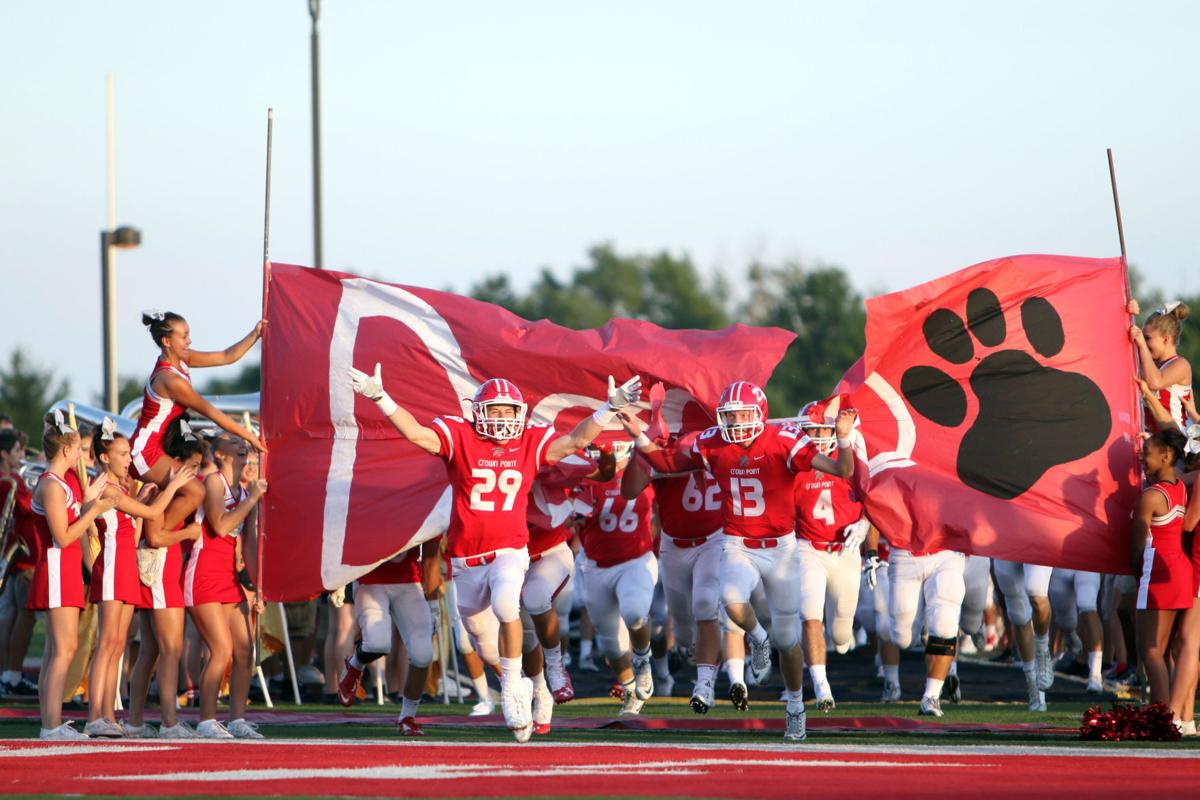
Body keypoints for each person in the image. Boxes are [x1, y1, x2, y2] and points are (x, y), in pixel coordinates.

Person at [347, 366, 641, 742]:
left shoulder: (530, 441)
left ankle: (515, 691)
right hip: (466, 560)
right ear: (477, 412)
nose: (502, 419)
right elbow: (418, 434)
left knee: (508, 605)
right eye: (495, 410)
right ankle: (529, 684)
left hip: (509, 549)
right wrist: (380, 398)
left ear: (520, 413)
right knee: (485, 643)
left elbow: (571, 441)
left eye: (508, 411)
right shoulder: (460, 435)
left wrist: (608, 409)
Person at [624, 380, 857, 743]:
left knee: (789, 639)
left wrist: (842, 438)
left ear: (760, 414)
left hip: (780, 547)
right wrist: (638, 434)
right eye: (729, 415)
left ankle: (795, 706)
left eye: (742, 414)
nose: (735, 422)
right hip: (736, 542)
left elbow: (842, 471)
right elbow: (665, 461)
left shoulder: (784, 440)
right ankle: (758, 639)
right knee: (731, 602)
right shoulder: (714, 442)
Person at [84, 420, 196, 737]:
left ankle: (108, 714)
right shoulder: (106, 487)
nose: (128, 459)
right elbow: (150, 519)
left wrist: (144, 501)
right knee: (107, 644)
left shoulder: (119, 489)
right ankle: (96, 715)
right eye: (121, 454)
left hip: (124, 565)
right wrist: (172, 487)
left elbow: (133, 531)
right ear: (105, 457)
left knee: (118, 644)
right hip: (111, 565)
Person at [621, 425, 725, 715]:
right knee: (680, 628)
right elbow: (629, 490)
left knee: (706, 605)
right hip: (674, 544)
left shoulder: (719, 443)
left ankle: (705, 685)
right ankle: (679, 657)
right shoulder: (663, 450)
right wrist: (642, 452)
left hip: (714, 539)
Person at [29, 412, 120, 740]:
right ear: (66, 450)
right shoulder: (52, 486)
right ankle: (50, 725)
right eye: (80, 448)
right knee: (63, 650)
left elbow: (71, 527)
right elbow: (64, 537)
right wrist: (93, 510)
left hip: (64, 570)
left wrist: (88, 503)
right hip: (56, 569)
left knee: (58, 650)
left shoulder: (60, 485)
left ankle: (50, 723)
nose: (84, 454)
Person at [128, 311, 264, 529]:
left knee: (193, 490)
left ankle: (159, 536)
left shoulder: (182, 361)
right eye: (184, 336)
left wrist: (255, 334)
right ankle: (155, 539)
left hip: (157, 449)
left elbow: (226, 356)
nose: (189, 340)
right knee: (196, 491)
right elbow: (212, 412)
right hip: (144, 451)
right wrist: (249, 436)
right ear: (167, 341)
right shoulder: (169, 378)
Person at [124, 430, 206, 738]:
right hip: (159, 572)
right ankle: (169, 722)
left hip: (163, 571)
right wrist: (187, 533)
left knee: (152, 650)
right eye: (192, 466)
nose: (195, 475)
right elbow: (155, 536)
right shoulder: (161, 492)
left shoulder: (169, 493)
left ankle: (135, 721)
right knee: (171, 648)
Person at [186, 432, 267, 738]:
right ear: (220, 453)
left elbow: (248, 547)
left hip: (228, 577)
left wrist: (259, 587)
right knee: (221, 650)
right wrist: (254, 500)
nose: (241, 443)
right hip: (203, 573)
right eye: (232, 440)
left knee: (246, 649)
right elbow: (220, 526)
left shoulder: (246, 493)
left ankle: (237, 720)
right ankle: (206, 720)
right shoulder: (213, 482)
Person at [791, 399, 870, 712]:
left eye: (823, 429)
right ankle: (822, 687)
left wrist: (865, 524)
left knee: (840, 634)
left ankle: (839, 641)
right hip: (808, 548)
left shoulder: (849, 460)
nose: (818, 435)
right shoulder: (794, 463)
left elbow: (875, 497)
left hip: (845, 551)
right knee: (810, 615)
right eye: (811, 430)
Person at [576, 441, 659, 715]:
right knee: (610, 646)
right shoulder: (583, 479)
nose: (599, 452)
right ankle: (630, 689)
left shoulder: (643, 471)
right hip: (596, 567)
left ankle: (643, 658)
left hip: (635, 560)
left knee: (635, 613)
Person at [337, 537, 442, 735]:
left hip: (409, 582)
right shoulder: (367, 505)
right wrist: (338, 578)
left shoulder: (424, 506)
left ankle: (407, 717)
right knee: (377, 643)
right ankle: (355, 664)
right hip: (371, 580)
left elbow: (430, 557)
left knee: (423, 654)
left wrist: (434, 605)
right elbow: (344, 535)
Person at [1132, 428, 1191, 704]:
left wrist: (1136, 573)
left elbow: (1137, 546)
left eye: (1147, 454)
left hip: (1156, 570)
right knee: (1163, 649)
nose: (1142, 459)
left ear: (1166, 456)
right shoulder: (1179, 486)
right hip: (1179, 569)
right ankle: (1165, 712)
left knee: (1150, 650)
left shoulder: (1151, 496)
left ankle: (1161, 715)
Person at [0, 428, 39, 697]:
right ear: (4, 454)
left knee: (11, 617)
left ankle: (7, 673)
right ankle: (12, 674)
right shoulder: (11, 481)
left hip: (17, 556)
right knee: (23, 618)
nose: (23, 456)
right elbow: (31, 506)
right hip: (24, 558)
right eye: (18, 452)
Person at [992, 560, 1055, 711]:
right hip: (1006, 543)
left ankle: (1042, 649)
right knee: (1018, 614)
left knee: (1037, 593)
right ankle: (1033, 685)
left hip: (1038, 539)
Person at [1130, 301, 1193, 432]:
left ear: (1166, 339)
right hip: (1153, 440)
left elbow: (1155, 382)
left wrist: (1141, 345)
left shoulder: (1181, 365)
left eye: (1148, 338)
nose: (1144, 342)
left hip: (1174, 442)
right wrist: (1127, 313)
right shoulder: (1151, 364)